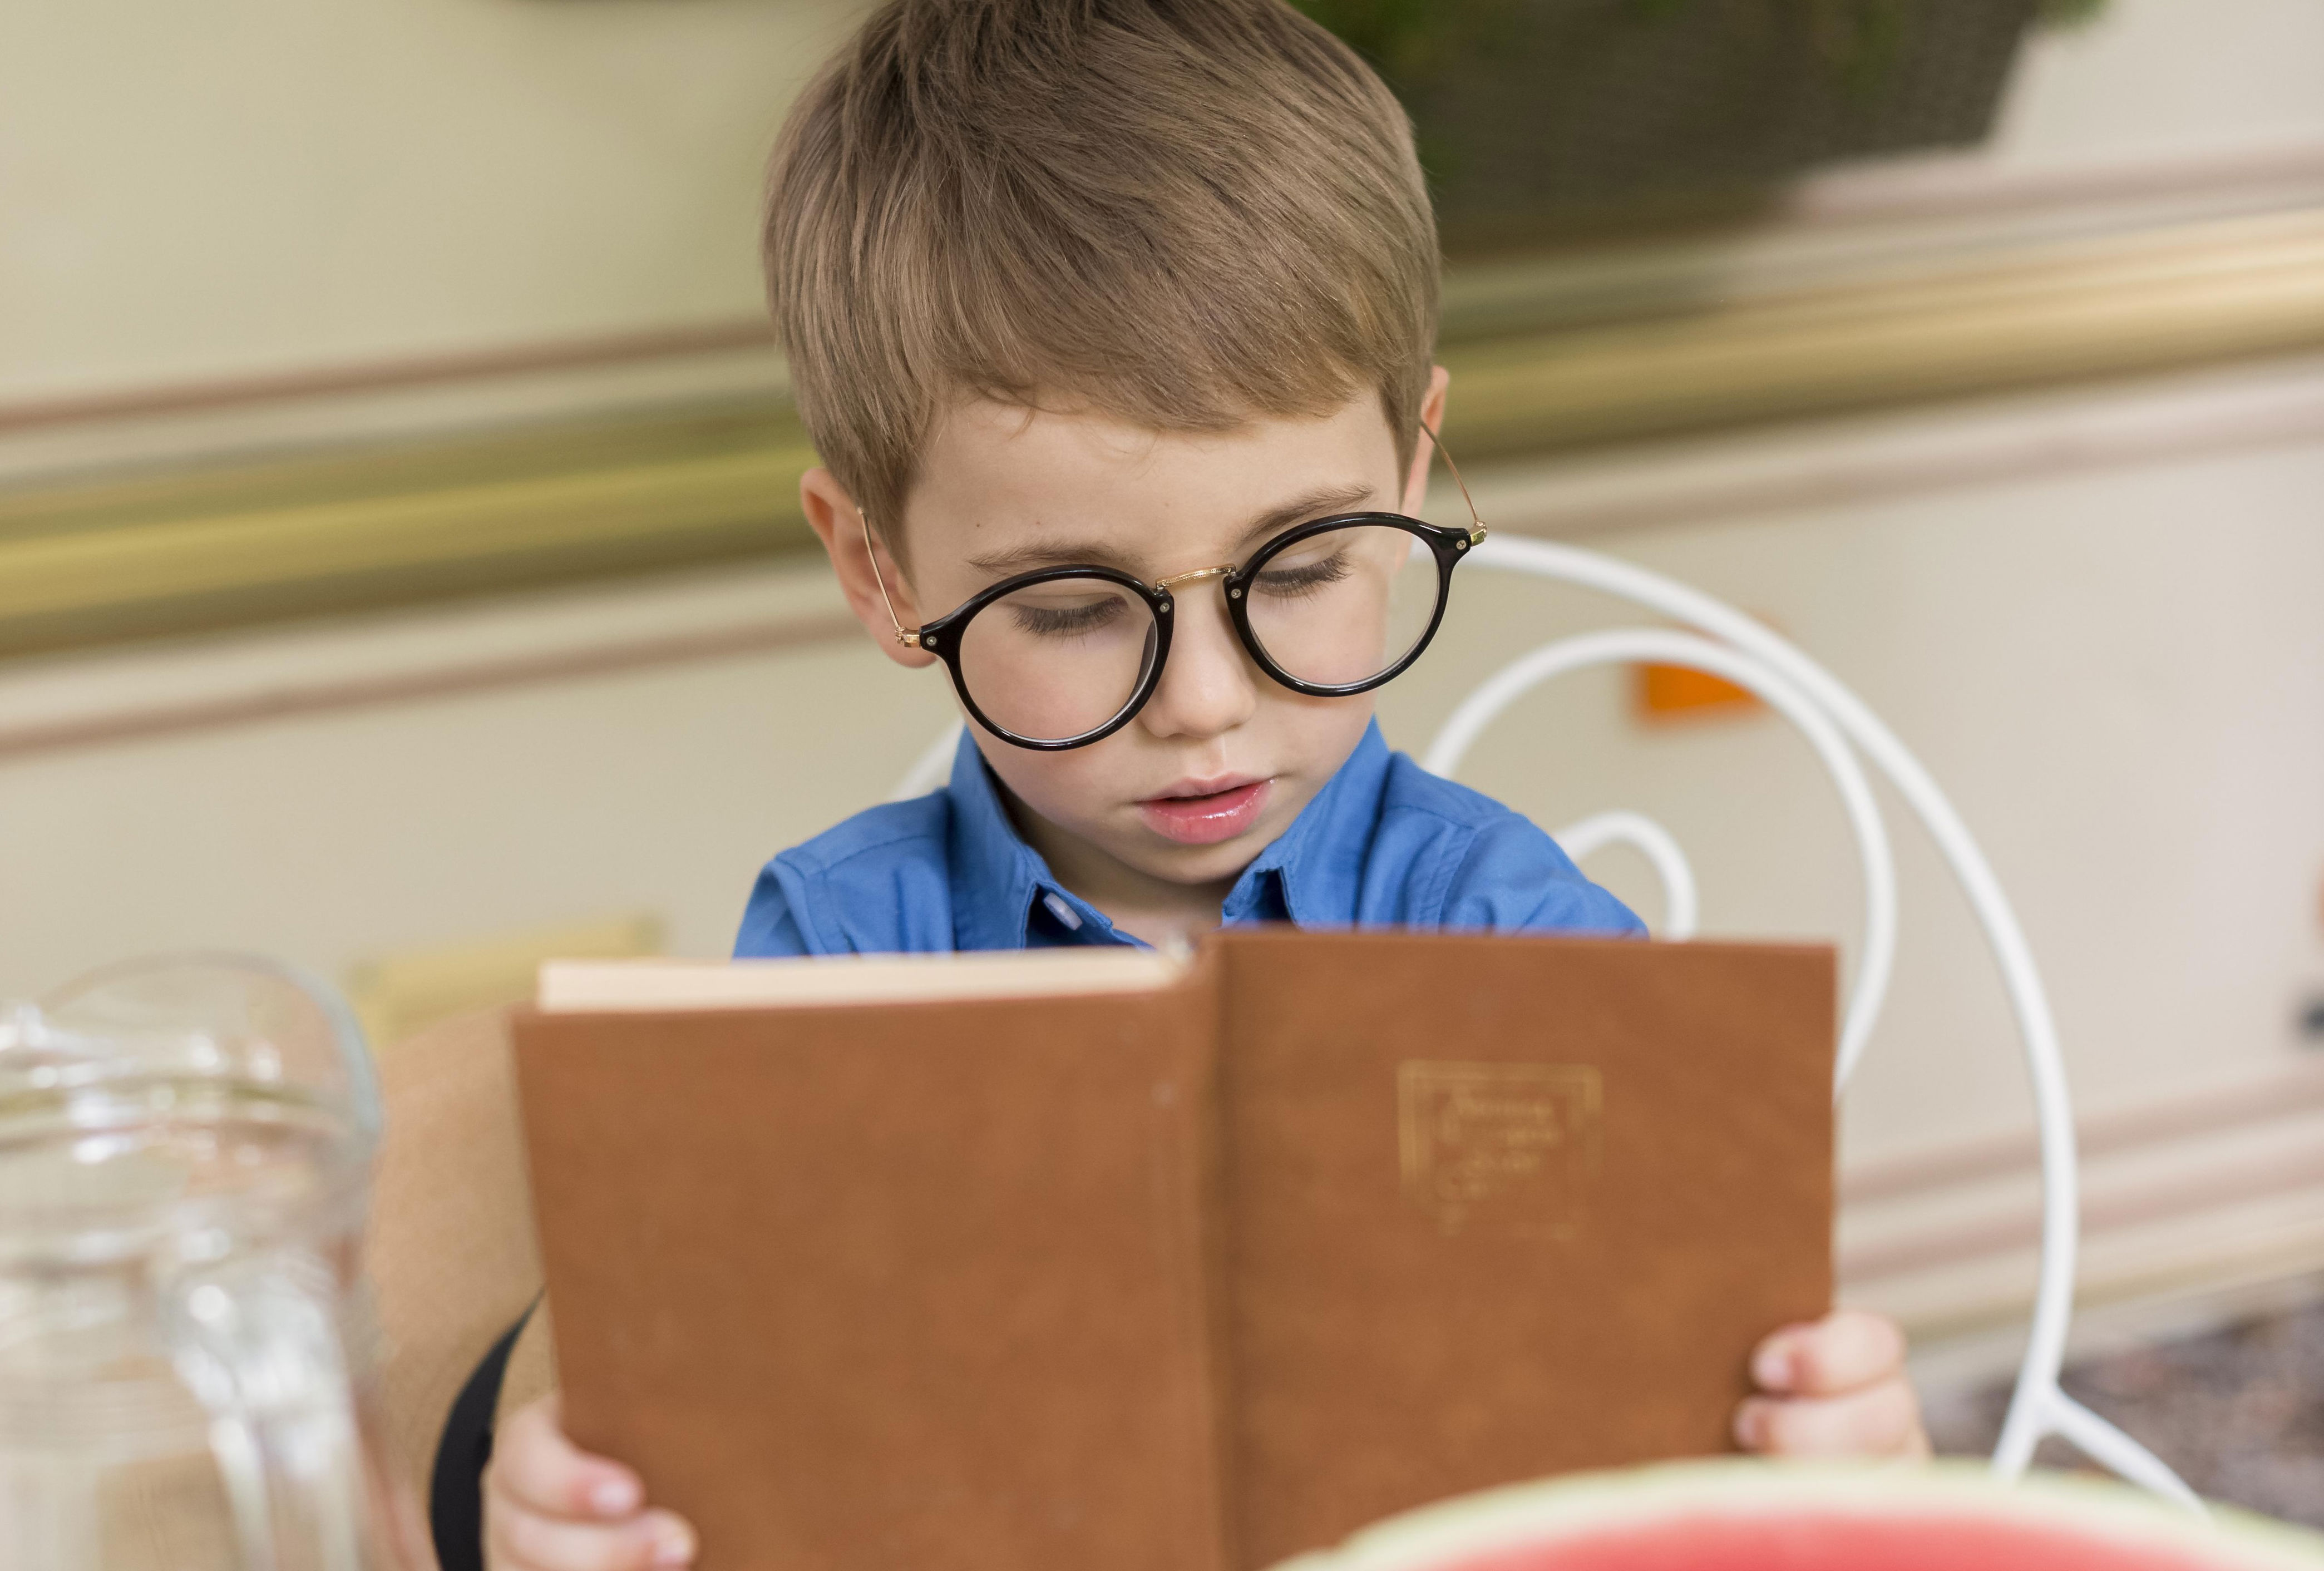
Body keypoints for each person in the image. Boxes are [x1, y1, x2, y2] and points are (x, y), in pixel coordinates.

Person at [472, 3, 1928, 1567]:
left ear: (1414, 468)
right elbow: (752, 1441)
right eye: (1073, 609)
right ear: (879, 572)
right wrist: (587, 1518)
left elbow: (1662, 1460)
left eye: (1300, 567)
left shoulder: (1522, 943)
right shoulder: (836, 948)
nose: (1207, 707)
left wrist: (1828, 1469)